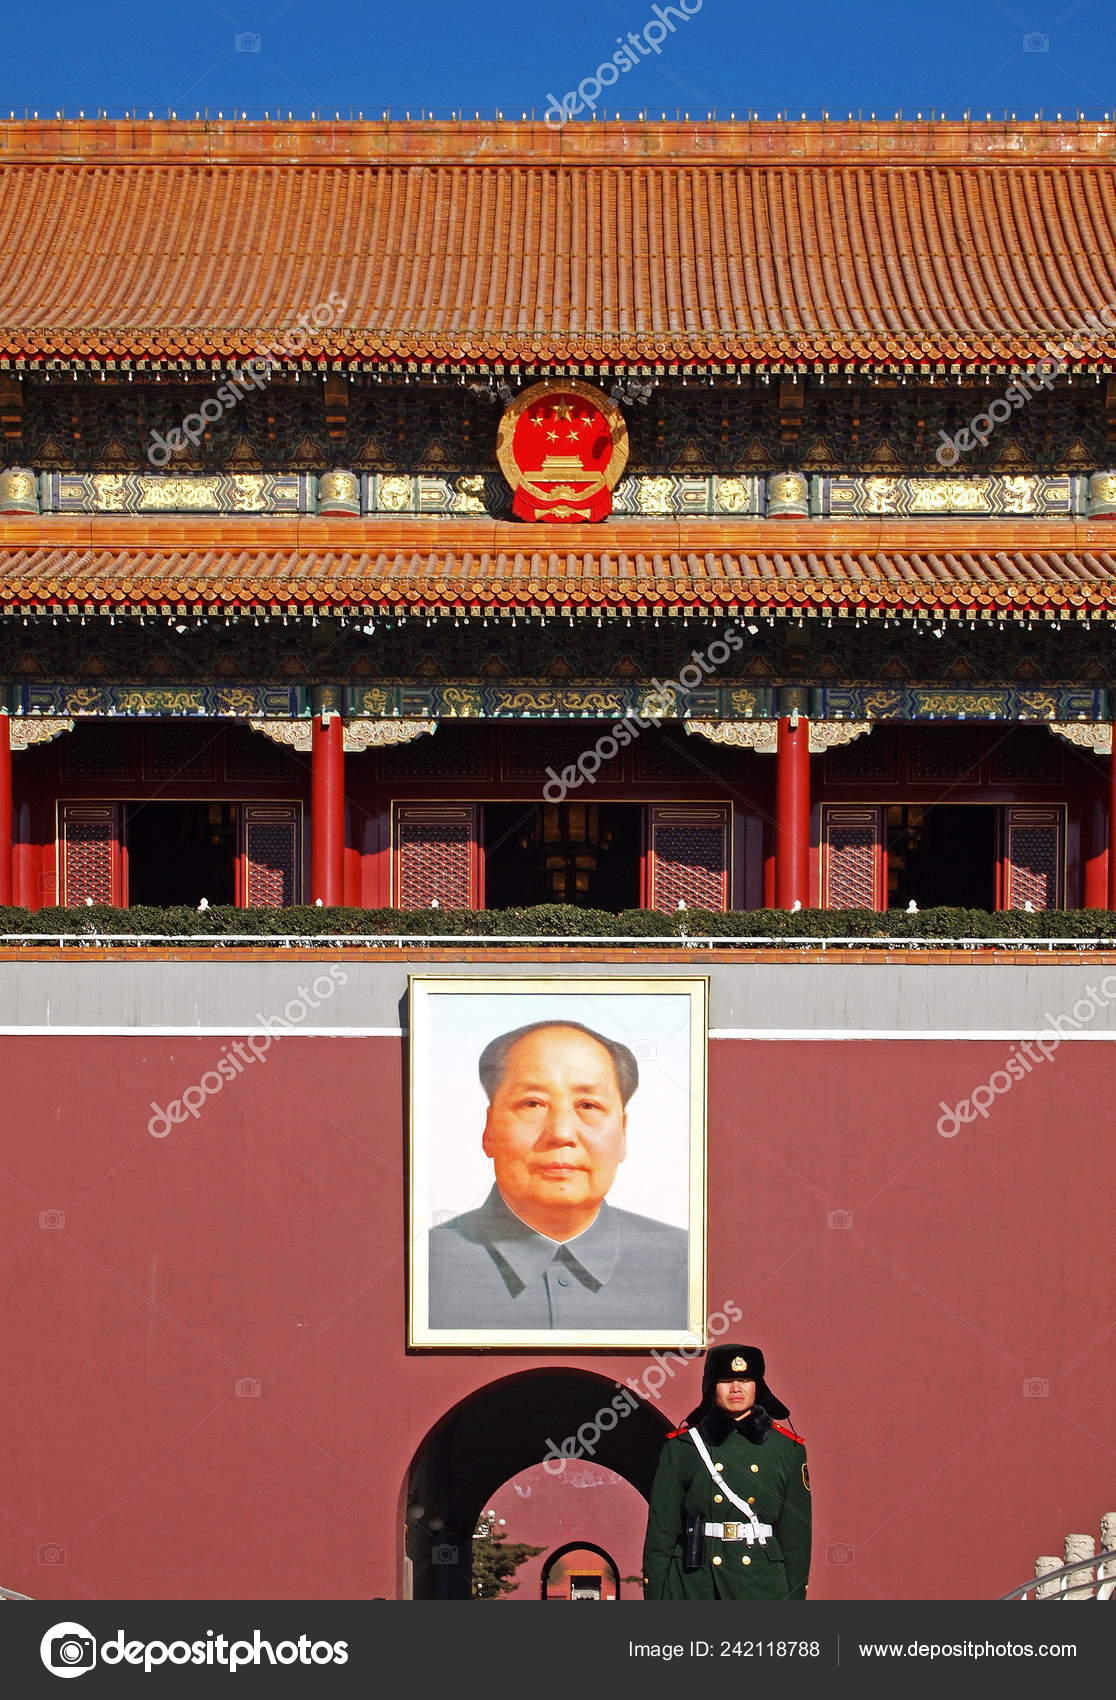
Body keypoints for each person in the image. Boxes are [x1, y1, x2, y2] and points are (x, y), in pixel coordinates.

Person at [427, 1020, 688, 1329]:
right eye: (533, 1103)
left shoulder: (689, 1263)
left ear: (623, 1133)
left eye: (588, 1105)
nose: (561, 1133)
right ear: (489, 1130)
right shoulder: (421, 1264)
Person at [642, 1344, 811, 1600]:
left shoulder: (787, 1448)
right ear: (711, 1386)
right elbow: (661, 1532)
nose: (736, 1388)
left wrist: (795, 1596)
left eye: (745, 1380)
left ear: (758, 1386)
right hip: (695, 1583)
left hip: (760, 1582)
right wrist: (656, 1594)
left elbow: (796, 1536)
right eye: (726, 1380)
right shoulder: (683, 1446)